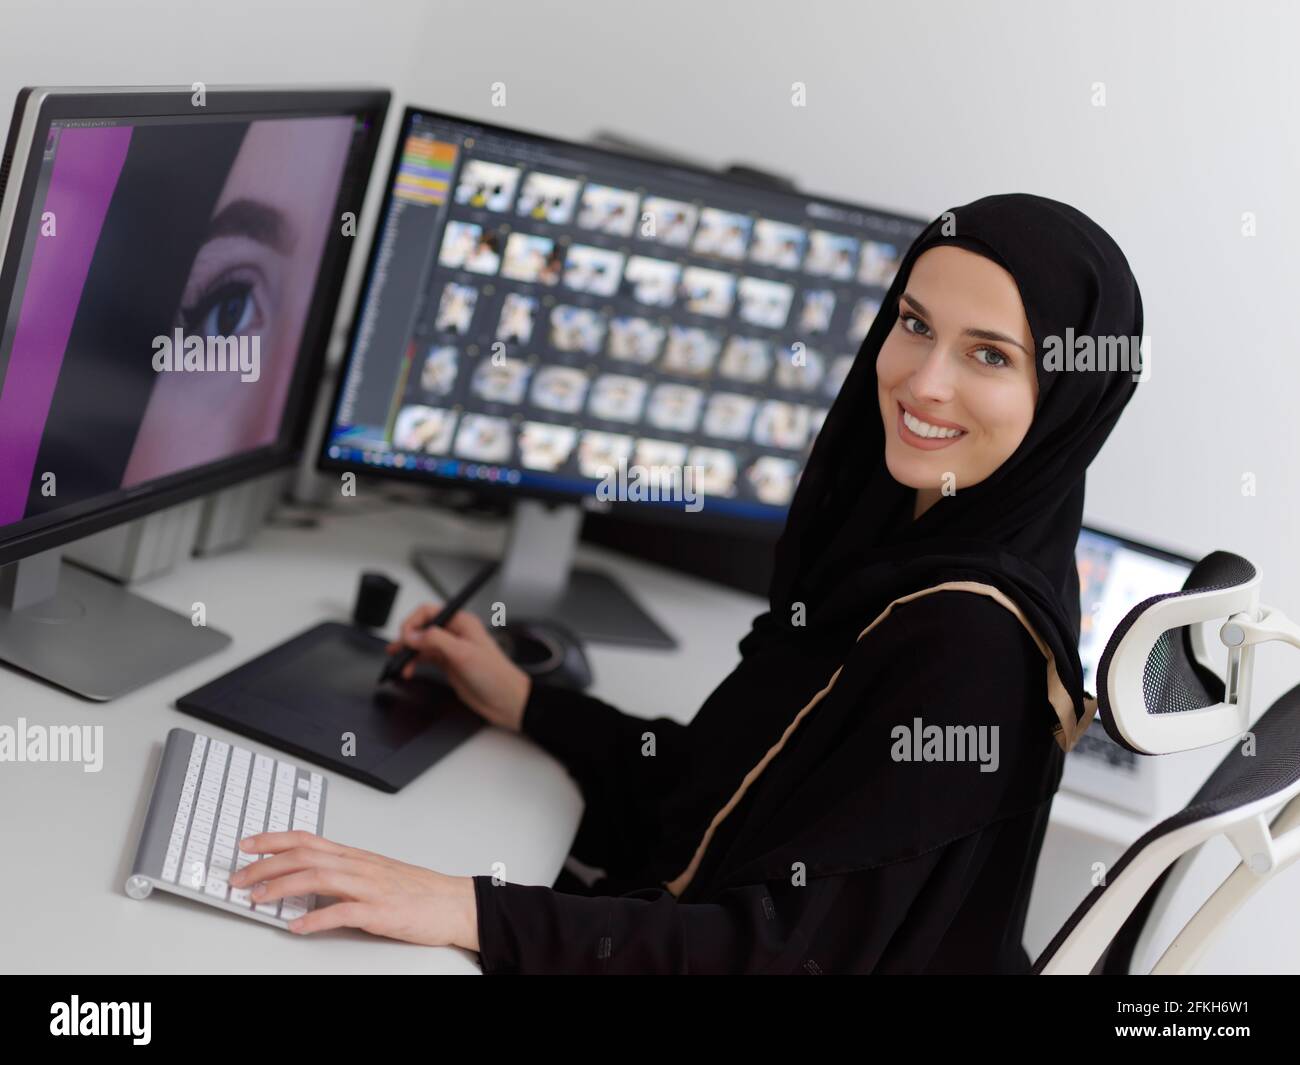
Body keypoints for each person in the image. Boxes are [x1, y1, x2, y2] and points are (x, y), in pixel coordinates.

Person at [230, 193, 1143, 974]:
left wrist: (466, 908)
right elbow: (723, 794)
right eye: (914, 324)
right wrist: (528, 702)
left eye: (990, 355)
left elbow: (774, 955)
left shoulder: (969, 644)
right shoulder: (913, 552)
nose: (922, 380)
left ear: (1067, 398)